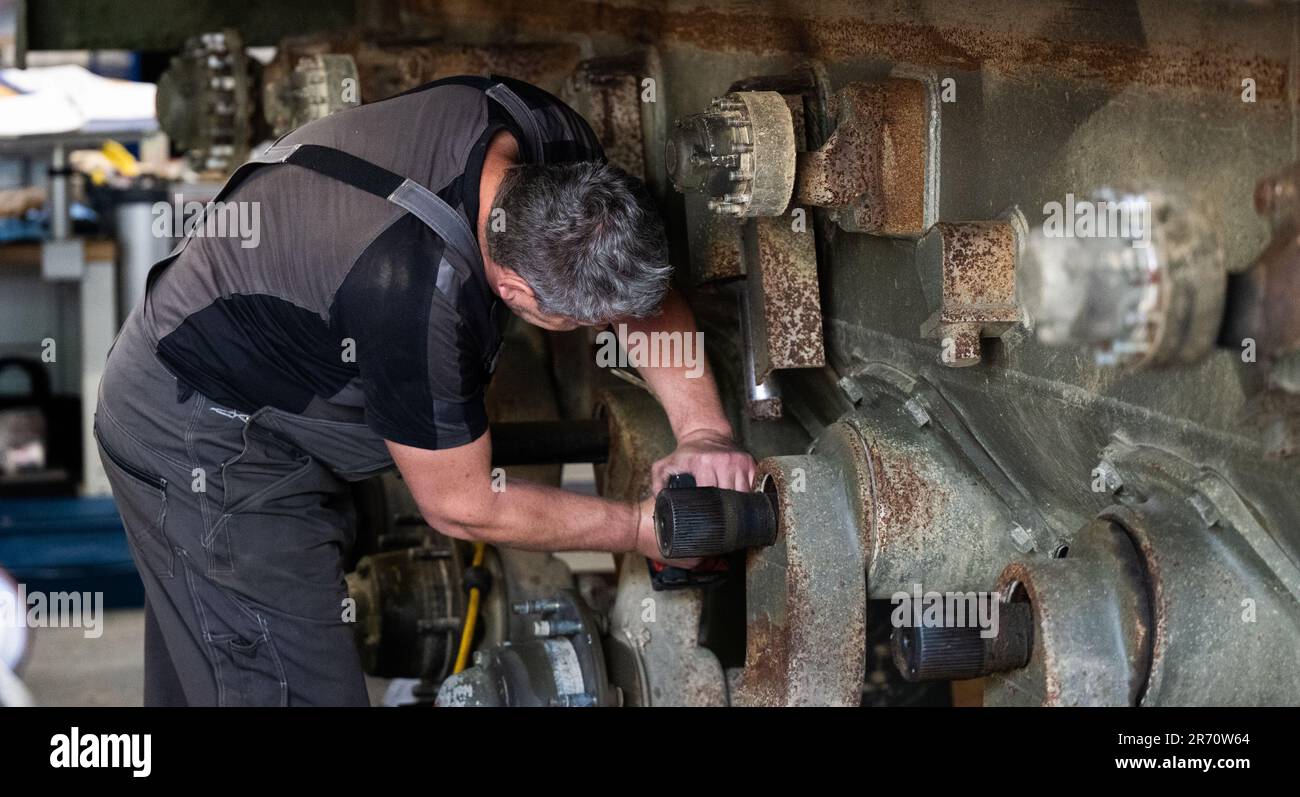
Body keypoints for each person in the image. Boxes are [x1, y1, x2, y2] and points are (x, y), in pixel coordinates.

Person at [94, 75, 753, 706]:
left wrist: (704, 432)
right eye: (587, 324)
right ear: (518, 293)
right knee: (283, 682)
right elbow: (462, 504)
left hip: (257, 372)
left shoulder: (548, 143)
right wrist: (639, 527)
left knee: (213, 669)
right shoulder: (412, 294)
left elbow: (630, 283)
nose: (607, 330)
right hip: (197, 431)